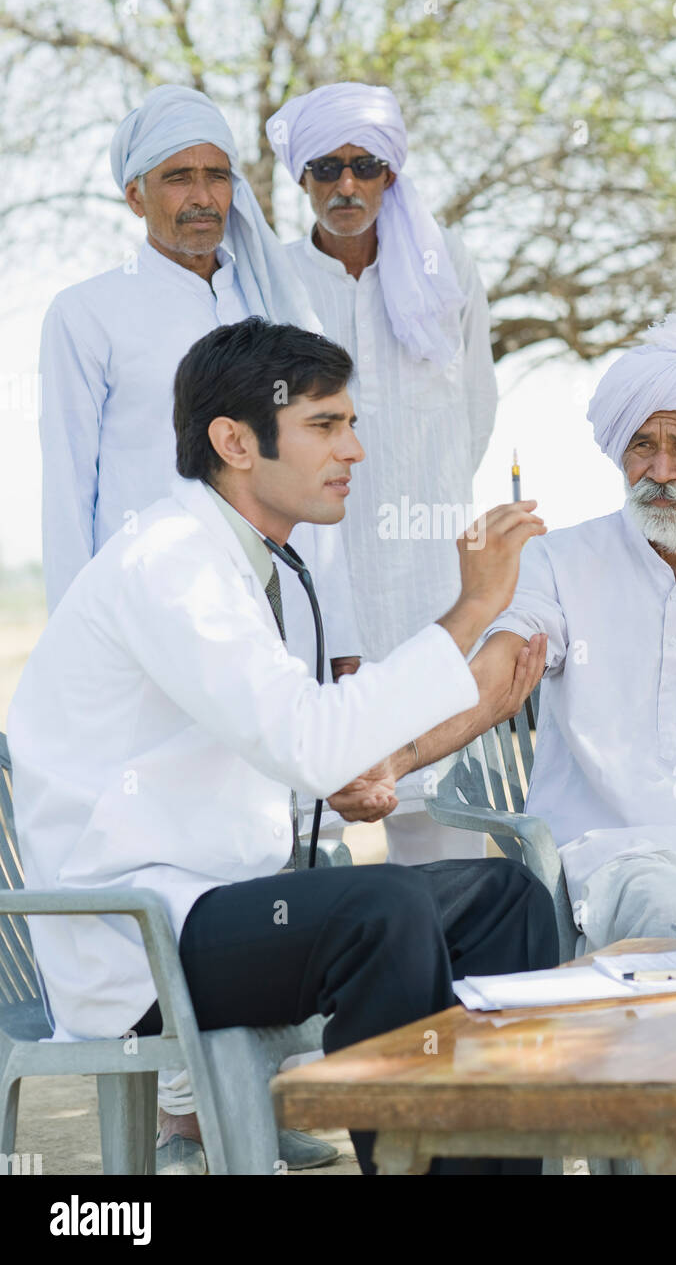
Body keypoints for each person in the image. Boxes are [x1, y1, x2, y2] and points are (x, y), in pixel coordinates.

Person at [8, 316, 556, 1176]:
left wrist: (334, 778)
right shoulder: (172, 563)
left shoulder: (248, 560)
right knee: (384, 912)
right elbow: (304, 737)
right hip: (136, 934)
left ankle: (488, 1174)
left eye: (351, 423)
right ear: (234, 440)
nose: (354, 450)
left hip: (220, 905)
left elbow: (272, 739)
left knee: (503, 896)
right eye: (324, 425)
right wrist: (471, 610)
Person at [382, 312, 676, 1175]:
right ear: (617, 454)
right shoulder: (562, 562)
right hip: (619, 848)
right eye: (642, 445)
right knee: (662, 899)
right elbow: (500, 673)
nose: (662, 470)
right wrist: (394, 758)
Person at [37, 84, 364, 1169]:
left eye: (218, 175)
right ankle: (186, 1115)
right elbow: (66, 489)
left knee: (267, 836)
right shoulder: (86, 314)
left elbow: (309, 475)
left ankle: (257, 1095)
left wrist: (340, 626)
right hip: (149, 626)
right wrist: (99, 648)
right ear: (133, 191)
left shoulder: (271, 310)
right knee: (179, 842)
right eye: (179, 176)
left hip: (259, 601)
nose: (203, 197)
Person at [266, 82, 498, 865]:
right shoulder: (278, 281)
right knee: (312, 813)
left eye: (365, 166)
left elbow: (475, 406)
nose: (346, 186)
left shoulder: (445, 266)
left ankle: (462, 987)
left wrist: (422, 501)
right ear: (302, 179)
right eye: (326, 167)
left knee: (440, 816)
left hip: (426, 572)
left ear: (391, 175)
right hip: (321, 569)